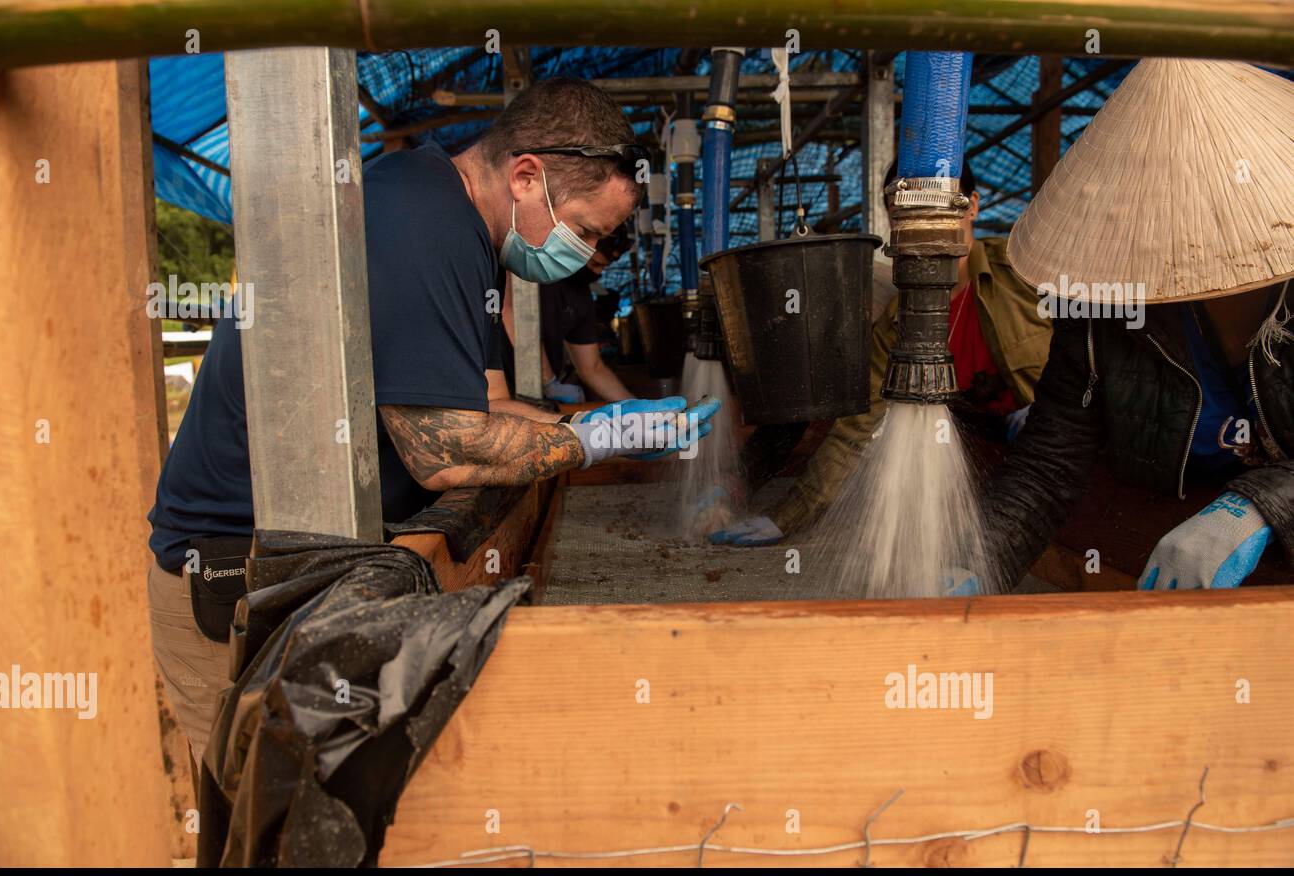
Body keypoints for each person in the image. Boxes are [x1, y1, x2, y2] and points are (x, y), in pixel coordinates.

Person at [146, 77, 720, 759]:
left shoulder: (447, 218)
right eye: (586, 229)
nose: (582, 251)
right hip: (236, 577)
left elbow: (483, 403)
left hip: (300, 563)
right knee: (264, 815)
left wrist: (606, 419)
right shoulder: (428, 225)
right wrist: (593, 441)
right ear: (528, 177)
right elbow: (443, 450)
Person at [976, 58, 1294, 592]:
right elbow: (1048, 464)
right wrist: (975, 561)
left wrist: (1257, 507)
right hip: (1169, 516)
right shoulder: (1105, 303)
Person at [713, 158, 1050, 545]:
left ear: (972, 206)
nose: (926, 229)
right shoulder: (896, 324)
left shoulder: (1024, 270)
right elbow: (855, 432)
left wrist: (1053, 408)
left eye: (940, 212)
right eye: (903, 217)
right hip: (981, 445)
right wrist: (787, 518)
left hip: (1049, 439)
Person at [500, 222, 635, 403]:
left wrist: (635, 406)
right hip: (502, 389)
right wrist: (549, 382)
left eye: (603, 267)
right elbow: (512, 313)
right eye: (595, 263)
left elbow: (592, 368)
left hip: (540, 400)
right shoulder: (534, 269)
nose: (598, 272)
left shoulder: (581, 297)